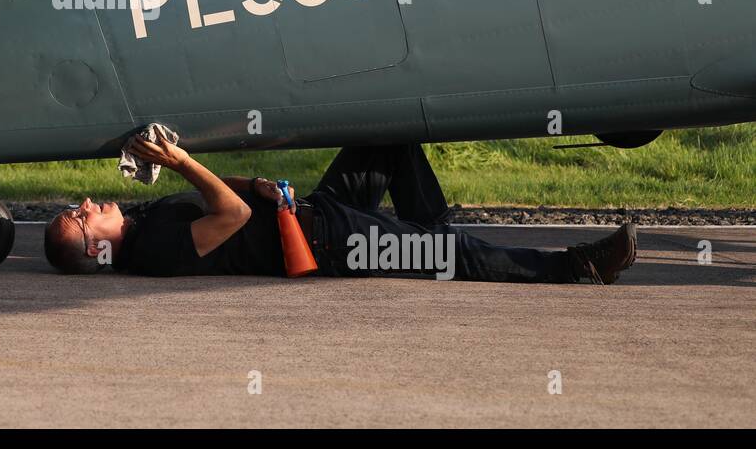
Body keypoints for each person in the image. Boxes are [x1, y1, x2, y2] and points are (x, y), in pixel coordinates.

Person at [43, 135, 636, 284]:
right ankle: (577, 267)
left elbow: (220, 197)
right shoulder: (150, 252)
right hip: (331, 243)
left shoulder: (145, 225)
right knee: (459, 256)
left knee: (387, 142)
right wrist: (180, 163)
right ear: (98, 248)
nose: (89, 203)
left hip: (313, 211)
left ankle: (425, 234)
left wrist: (258, 183)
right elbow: (233, 219)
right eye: (82, 215)